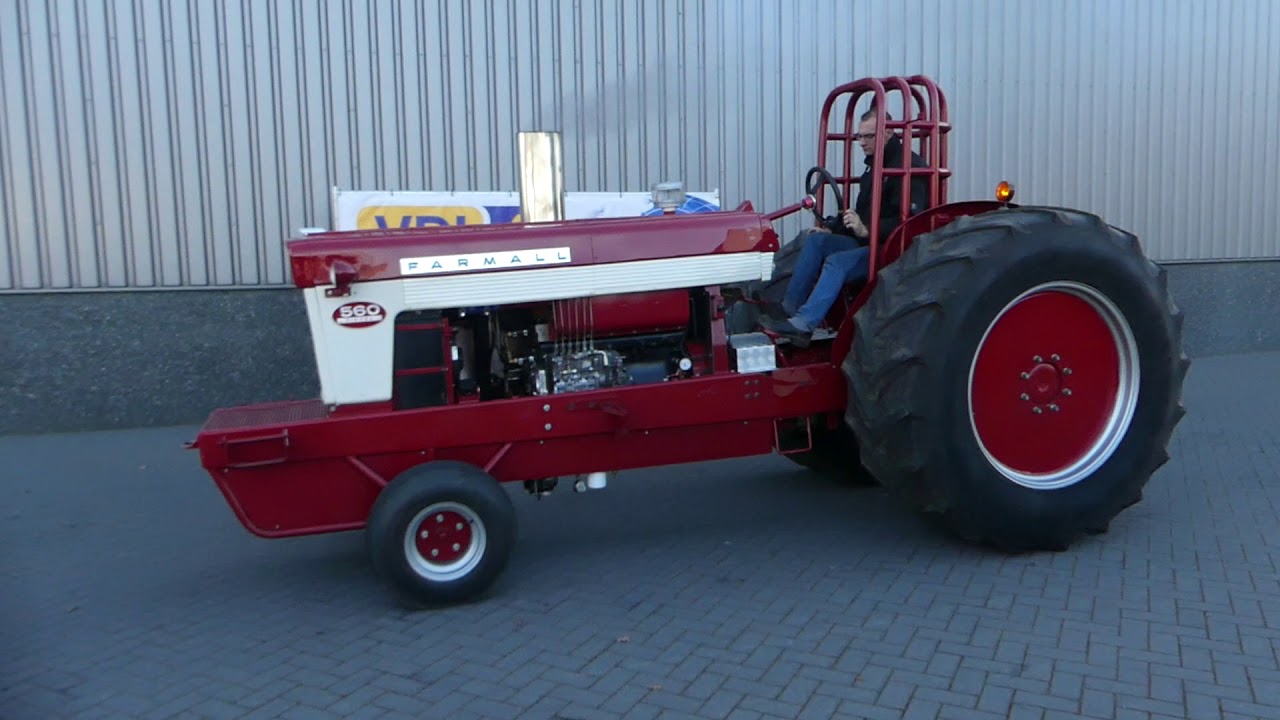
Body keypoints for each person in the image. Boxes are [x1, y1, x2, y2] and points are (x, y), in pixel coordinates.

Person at [758, 108, 929, 346]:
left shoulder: (909, 169)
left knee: (837, 262)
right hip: (865, 242)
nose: (861, 143)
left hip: (891, 249)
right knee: (816, 240)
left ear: (888, 132)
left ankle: (805, 324)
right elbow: (862, 213)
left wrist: (867, 230)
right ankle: (789, 307)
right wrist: (833, 227)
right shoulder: (874, 167)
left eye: (868, 137)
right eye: (859, 137)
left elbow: (910, 225)